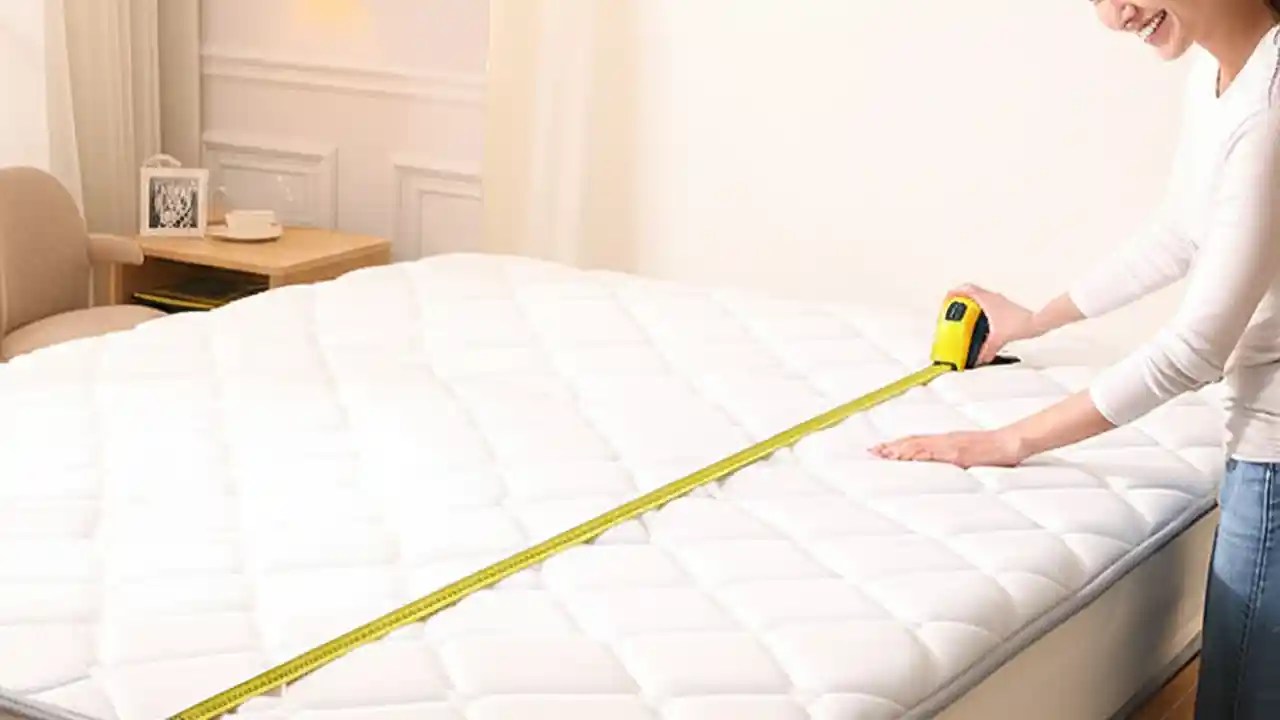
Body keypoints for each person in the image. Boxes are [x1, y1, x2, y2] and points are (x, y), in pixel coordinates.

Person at [869, 1, 1280, 717]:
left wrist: (1010, 440)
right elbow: (1181, 233)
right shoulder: (1225, 76)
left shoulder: (1270, 105)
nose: (1114, 14)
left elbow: (1195, 350)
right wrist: (1037, 319)